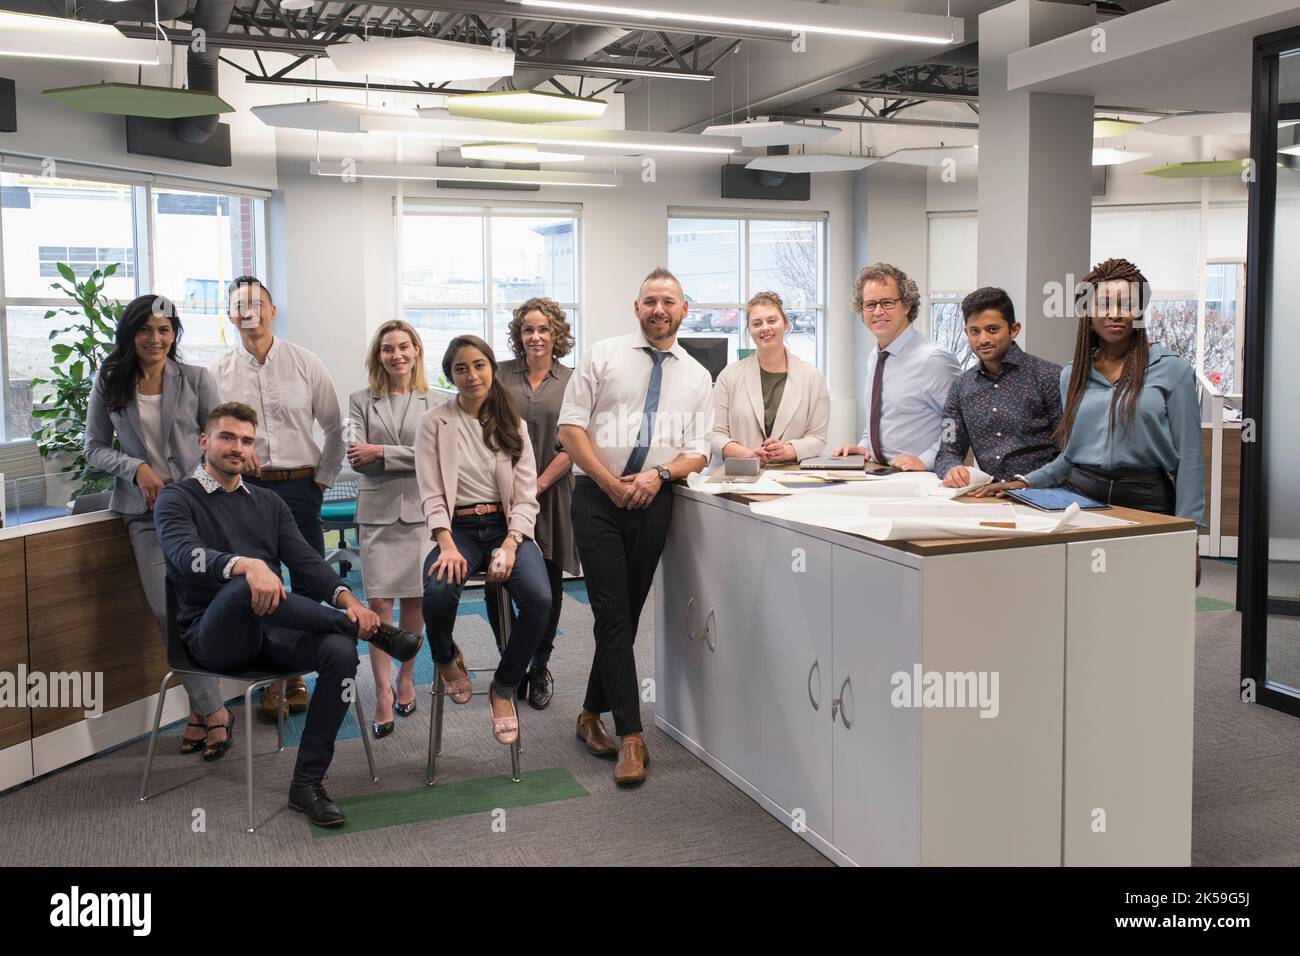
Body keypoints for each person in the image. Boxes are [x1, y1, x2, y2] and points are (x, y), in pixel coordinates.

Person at [153, 402, 422, 827]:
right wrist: (246, 564)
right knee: (244, 584)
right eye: (226, 437)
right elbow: (187, 558)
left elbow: (307, 564)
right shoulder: (175, 498)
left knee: (338, 651)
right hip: (211, 638)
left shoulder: (267, 502)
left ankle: (307, 783)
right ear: (204, 441)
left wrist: (347, 599)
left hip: (272, 632)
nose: (236, 447)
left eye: (245, 440)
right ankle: (371, 630)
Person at [558, 266, 713, 786]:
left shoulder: (696, 375)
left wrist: (660, 474)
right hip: (597, 497)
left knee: (624, 614)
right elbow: (570, 428)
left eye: (669, 301)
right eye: (650, 300)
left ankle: (588, 714)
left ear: (684, 309)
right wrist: (606, 480)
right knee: (611, 612)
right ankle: (631, 736)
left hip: (654, 500)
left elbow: (699, 450)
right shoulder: (603, 355)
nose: (659, 309)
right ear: (636, 307)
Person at [975, 258, 1204, 581]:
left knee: (1146, 600)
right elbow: (1070, 455)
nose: (1115, 313)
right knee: (1089, 602)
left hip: (1147, 502)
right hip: (1083, 500)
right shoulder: (1073, 374)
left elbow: (1190, 460)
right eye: (1104, 304)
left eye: (1126, 304)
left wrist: (1189, 537)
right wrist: (1025, 482)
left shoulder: (1173, 370)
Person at [84, 294, 227, 759]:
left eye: (165, 330)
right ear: (131, 333)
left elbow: (220, 439)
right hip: (142, 516)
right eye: (146, 329)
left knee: (199, 606)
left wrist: (202, 484)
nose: (156, 338)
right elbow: (93, 447)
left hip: (196, 511)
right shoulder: (110, 381)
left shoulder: (196, 378)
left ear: (174, 334)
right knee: (168, 609)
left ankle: (199, 712)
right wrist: (135, 467)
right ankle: (214, 710)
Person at [212, 275, 345, 719]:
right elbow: (212, 435)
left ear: (272, 312)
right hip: (245, 492)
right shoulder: (217, 373)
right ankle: (274, 680)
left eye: (258, 304)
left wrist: (322, 480)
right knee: (262, 586)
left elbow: (333, 428)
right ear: (231, 316)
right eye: (239, 306)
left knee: (307, 584)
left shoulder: (305, 363)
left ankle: (299, 674)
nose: (249, 312)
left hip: (301, 487)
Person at [416, 336, 552, 746]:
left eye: (479, 365)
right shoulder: (433, 423)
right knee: (438, 591)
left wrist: (511, 544)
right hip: (455, 529)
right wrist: (446, 542)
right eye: (461, 368)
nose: (472, 375)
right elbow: (430, 491)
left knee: (540, 599)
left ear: (492, 368)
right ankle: (444, 657)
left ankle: (505, 685)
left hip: (505, 526)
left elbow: (526, 496)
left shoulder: (513, 424)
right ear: (450, 376)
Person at [485, 298, 580, 711]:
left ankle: (539, 664)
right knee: (497, 579)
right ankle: (512, 658)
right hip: (500, 493)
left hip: (553, 494)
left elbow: (577, 441)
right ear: (518, 334)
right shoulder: (499, 375)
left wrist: (536, 484)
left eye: (543, 329)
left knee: (547, 585)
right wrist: (517, 486)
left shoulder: (574, 380)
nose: (535, 336)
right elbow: (480, 427)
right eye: (528, 329)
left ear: (556, 333)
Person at [346, 320, 432, 738]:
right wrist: (405, 456)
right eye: (387, 349)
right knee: (378, 607)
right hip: (378, 514)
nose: (396, 354)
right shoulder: (359, 401)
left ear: (416, 350)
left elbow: (437, 458)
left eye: (403, 346)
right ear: (377, 355)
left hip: (422, 513)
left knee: (416, 604)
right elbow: (353, 459)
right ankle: (381, 692)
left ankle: (406, 678)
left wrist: (381, 450)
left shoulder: (437, 401)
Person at [831, 262, 962, 469]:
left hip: (921, 478)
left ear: (907, 305)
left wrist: (926, 460)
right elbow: (881, 416)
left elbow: (958, 423)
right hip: (880, 471)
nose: (878, 312)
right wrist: (865, 446)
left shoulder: (934, 359)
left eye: (887, 302)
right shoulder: (875, 356)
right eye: (870, 304)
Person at [933, 287, 1063, 487]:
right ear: (966, 333)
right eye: (975, 331)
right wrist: (953, 469)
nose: (983, 339)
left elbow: (1070, 452)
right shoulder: (960, 388)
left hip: (1044, 496)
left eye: (992, 329)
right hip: (990, 498)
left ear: (1014, 330)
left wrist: (1028, 483)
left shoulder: (1049, 376)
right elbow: (947, 450)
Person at [712, 290, 830, 465]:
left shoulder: (812, 377)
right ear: (749, 330)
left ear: (786, 323)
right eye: (757, 323)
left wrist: (788, 451)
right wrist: (746, 454)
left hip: (791, 478)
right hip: (740, 475)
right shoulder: (729, 376)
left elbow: (818, 437)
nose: (765, 328)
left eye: (772, 321)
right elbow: (714, 435)